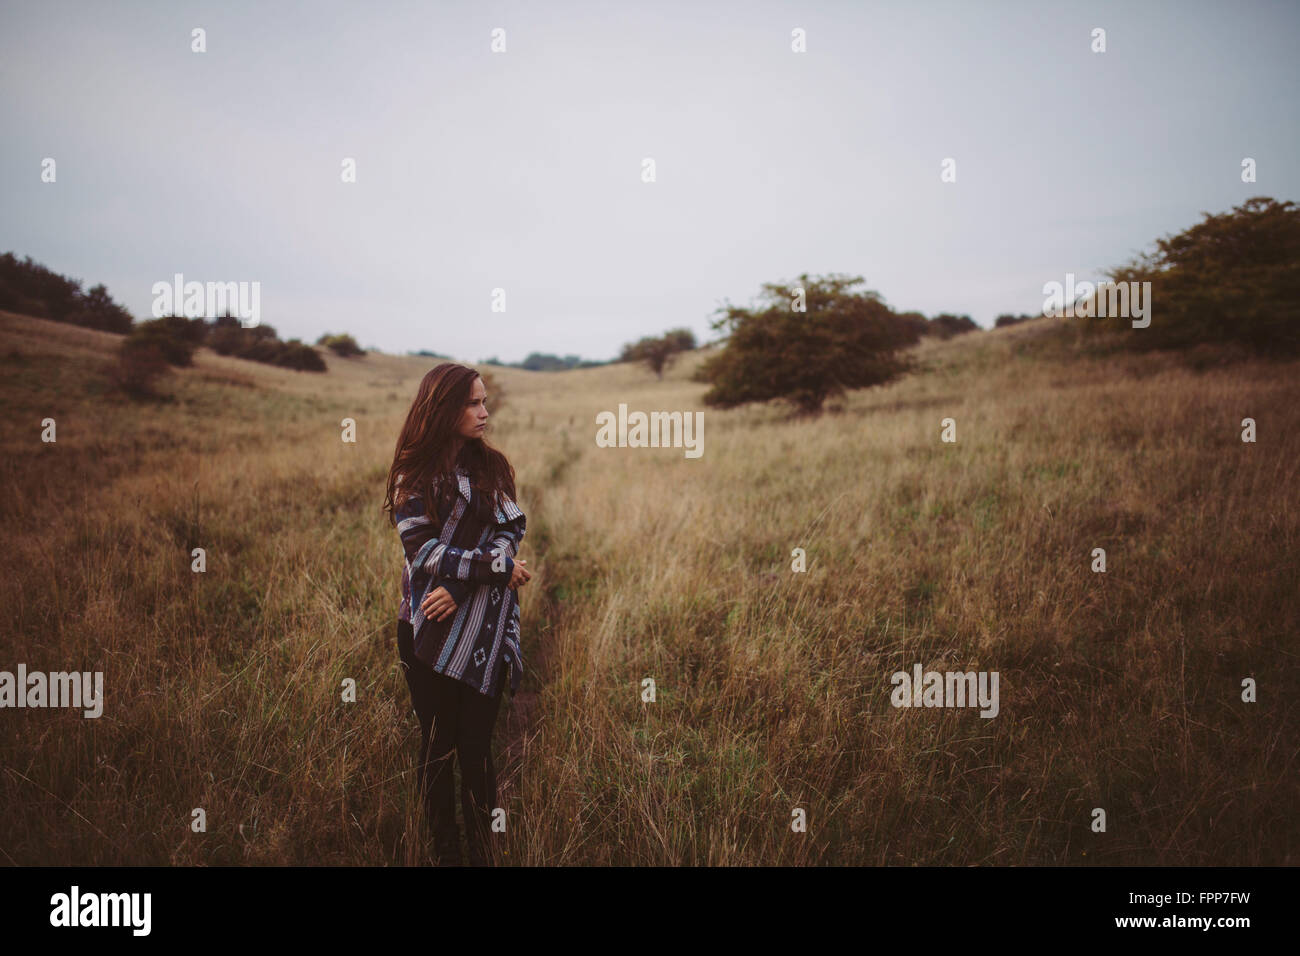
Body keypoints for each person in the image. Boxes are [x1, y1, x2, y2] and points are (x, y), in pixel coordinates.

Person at [382, 363, 532, 866]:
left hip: (484, 626)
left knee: (476, 747)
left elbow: (510, 530)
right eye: (472, 403)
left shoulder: (492, 468)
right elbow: (423, 552)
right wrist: (495, 568)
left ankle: (484, 852)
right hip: (425, 624)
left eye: (484, 401)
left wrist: (464, 584)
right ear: (443, 409)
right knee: (437, 745)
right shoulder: (413, 476)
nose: (484, 412)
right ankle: (445, 851)